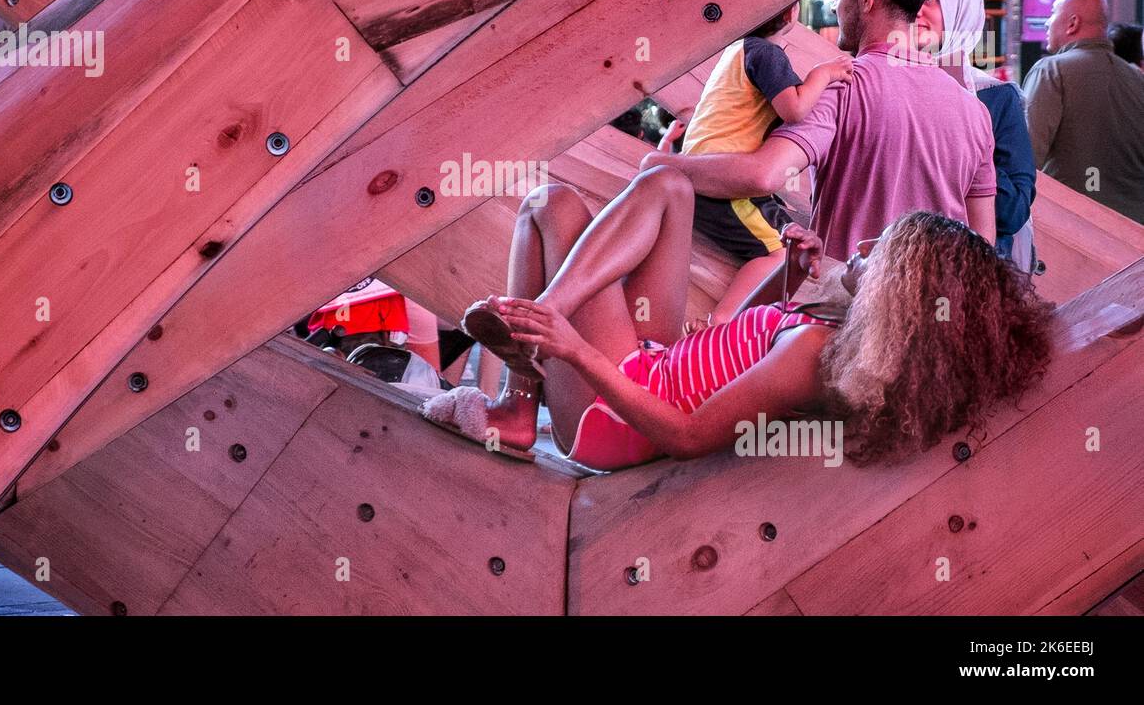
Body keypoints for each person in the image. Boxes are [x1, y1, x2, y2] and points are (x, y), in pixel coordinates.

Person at [423, 168, 1052, 469]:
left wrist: (574, 350)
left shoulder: (817, 355)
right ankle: (540, 324)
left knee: (552, 205)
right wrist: (787, 278)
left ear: (903, 293)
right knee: (669, 185)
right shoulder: (833, 338)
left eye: (880, 252)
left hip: (618, 418)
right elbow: (735, 350)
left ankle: (522, 382)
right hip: (653, 367)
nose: (861, 249)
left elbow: (691, 435)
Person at [640, 0, 998, 258]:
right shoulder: (973, 110)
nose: (834, 7)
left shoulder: (842, 84)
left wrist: (663, 166)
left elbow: (764, 175)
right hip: (937, 315)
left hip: (849, 314)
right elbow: (983, 243)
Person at [672, 5, 852, 318]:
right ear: (793, 12)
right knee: (782, 253)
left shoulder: (737, 51)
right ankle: (721, 325)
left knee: (788, 233)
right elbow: (793, 109)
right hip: (726, 183)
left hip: (705, 170)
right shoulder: (767, 54)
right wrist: (822, 74)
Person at [916, 0, 1037, 269]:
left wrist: (961, 117)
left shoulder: (995, 98)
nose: (915, 9)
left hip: (975, 281)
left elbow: (1011, 212)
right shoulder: (886, 87)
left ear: (960, 6)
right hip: (900, 276)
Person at [1023, 0, 1144, 225]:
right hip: (1136, 237)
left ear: (1072, 23)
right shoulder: (1137, 79)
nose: (1047, 23)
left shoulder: (1052, 71)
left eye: (1053, 13)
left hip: (1074, 229)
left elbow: (1025, 161)